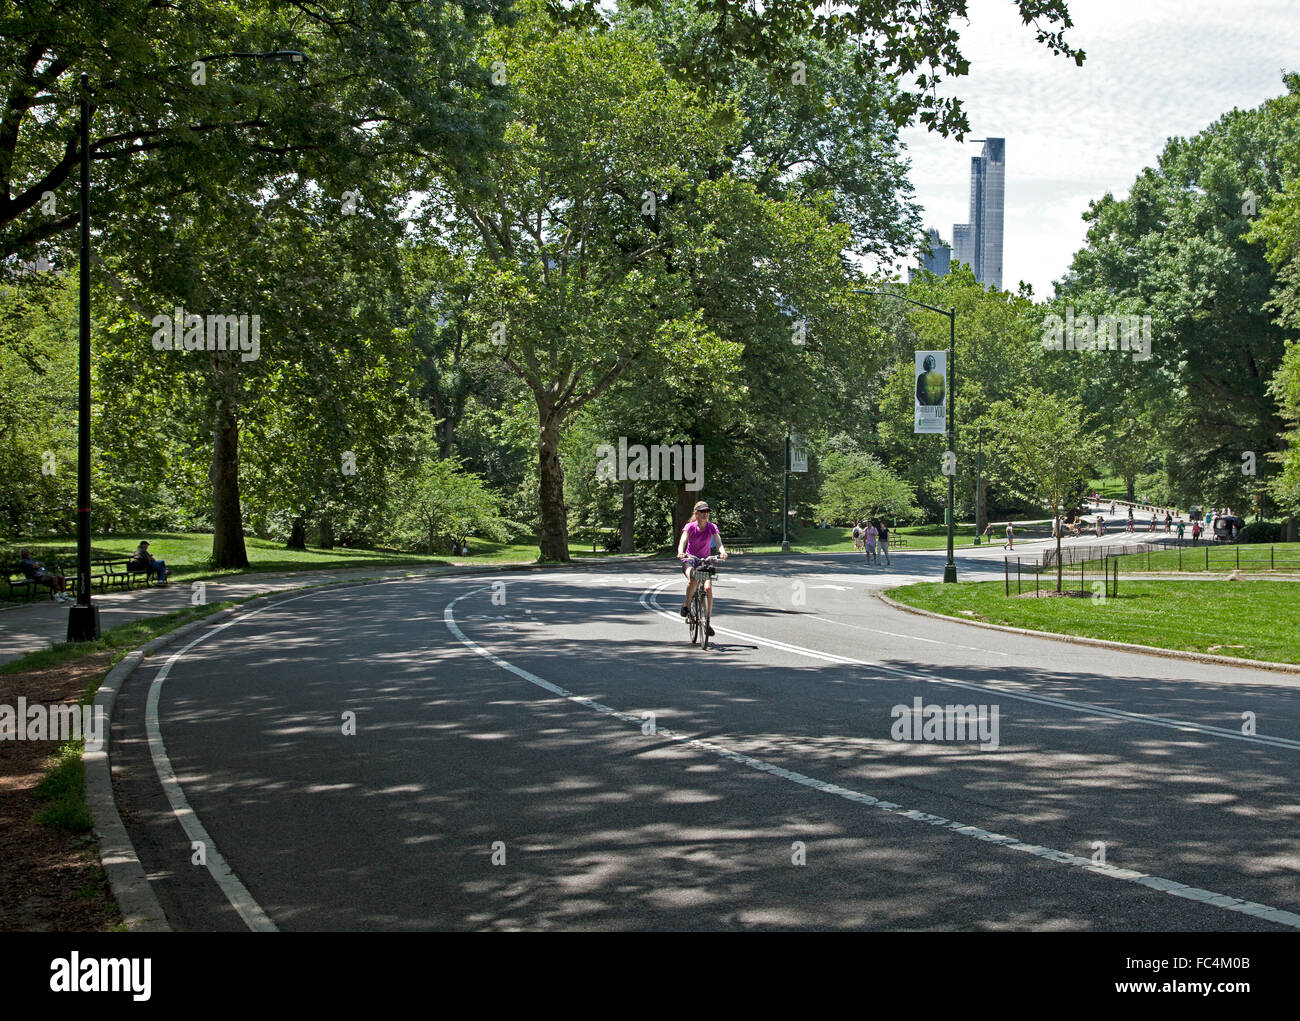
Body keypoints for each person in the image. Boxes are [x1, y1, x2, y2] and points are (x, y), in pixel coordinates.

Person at [677, 501, 727, 636]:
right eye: (702, 512)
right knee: (693, 578)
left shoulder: (712, 527)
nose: (706, 514)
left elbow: (718, 542)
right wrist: (681, 552)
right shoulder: (690, 527)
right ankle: (686, 605)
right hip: (690, 560)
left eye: (707, 512)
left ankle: (707, 622)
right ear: (696, 514)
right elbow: (683, 541)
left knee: (708, 588)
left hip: (705, 561)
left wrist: (722, 552)